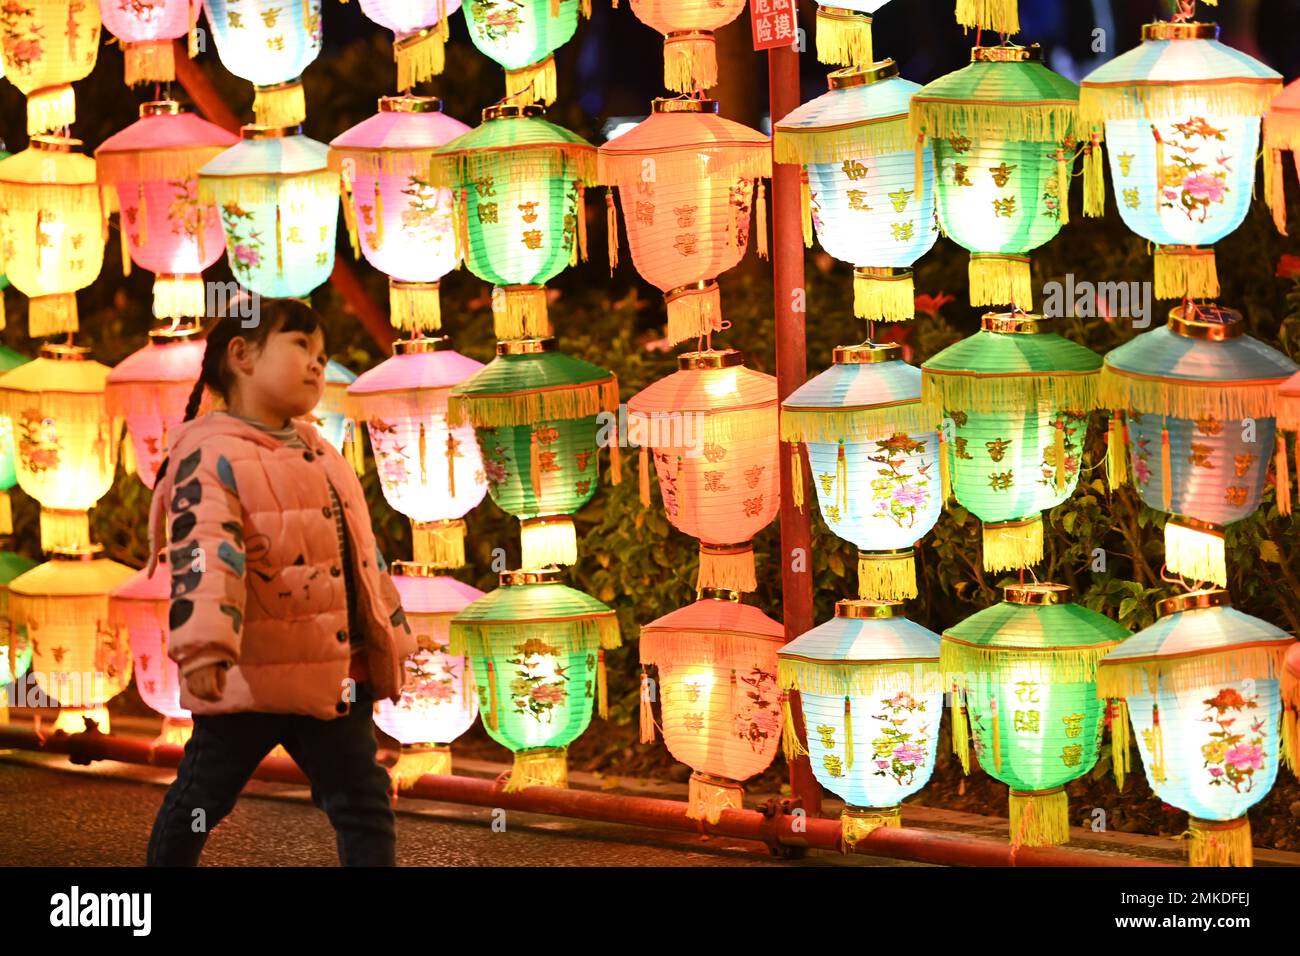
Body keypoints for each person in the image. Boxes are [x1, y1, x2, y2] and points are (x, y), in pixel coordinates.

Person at [144, 298, 416, 867]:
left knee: (363, 799)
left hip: (334, 676)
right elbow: (204, 556)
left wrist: (393, 637)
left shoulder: (322, 450)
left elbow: (364, 560)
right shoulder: (211, 454)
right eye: (301, 346)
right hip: (245, 676)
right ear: (241, 355)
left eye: (323, 354)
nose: (319, 364)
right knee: (203, 797)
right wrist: (204, 647)